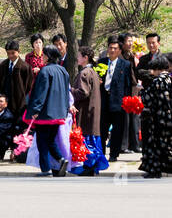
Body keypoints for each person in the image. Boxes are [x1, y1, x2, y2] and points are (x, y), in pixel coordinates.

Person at [24, 46, 71, 177]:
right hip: (59, 113)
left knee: (42, 143)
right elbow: (66, 93)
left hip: (45, 114)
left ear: (49, 56)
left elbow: (41, 92)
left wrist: (36, 109)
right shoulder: (63, 71)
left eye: (44, 55)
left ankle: (46, 170)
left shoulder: (45, 71)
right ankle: (61, 159)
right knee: (50, 140)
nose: (42, 57)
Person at [71, 45, 107, 175]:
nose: (77, 58)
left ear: (85, 58)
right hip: (93, 111)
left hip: (86, 112)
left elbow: (83, 92)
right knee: (93, 139)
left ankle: (89, 166)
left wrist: (71, 90)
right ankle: (93, 166)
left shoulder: (85, 73)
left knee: (87, 140)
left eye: (79, 56)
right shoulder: (93, 72)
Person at [99, 36, 134, 161]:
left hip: (118, 101)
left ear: (119, 51)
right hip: (103, 101)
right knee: (102, 129)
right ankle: (101, 153)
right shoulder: (101, 62)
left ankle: (114, 154)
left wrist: (126, 102)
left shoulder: (125, 64)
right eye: (110, 48)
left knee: (117, 130)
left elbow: (128, 84)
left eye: (115, 48)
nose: (112, 50)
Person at [138, 54, 172, 178]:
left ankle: (154, 170)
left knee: (155, 144)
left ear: (157, 68)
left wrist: (141, 91)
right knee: (165, 144)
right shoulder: (169, 79)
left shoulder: (158, 81)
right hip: (167, 116)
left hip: (158, 117)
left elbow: (148, 98)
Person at [0, 40, 32, 123]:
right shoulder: (3, 65)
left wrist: (20, 94)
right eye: (8, 53)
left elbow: (28, 85)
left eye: (13, 53)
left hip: (18, 102)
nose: (10, 56)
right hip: (4, 101)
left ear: (18, 51)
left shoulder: (25, 67)